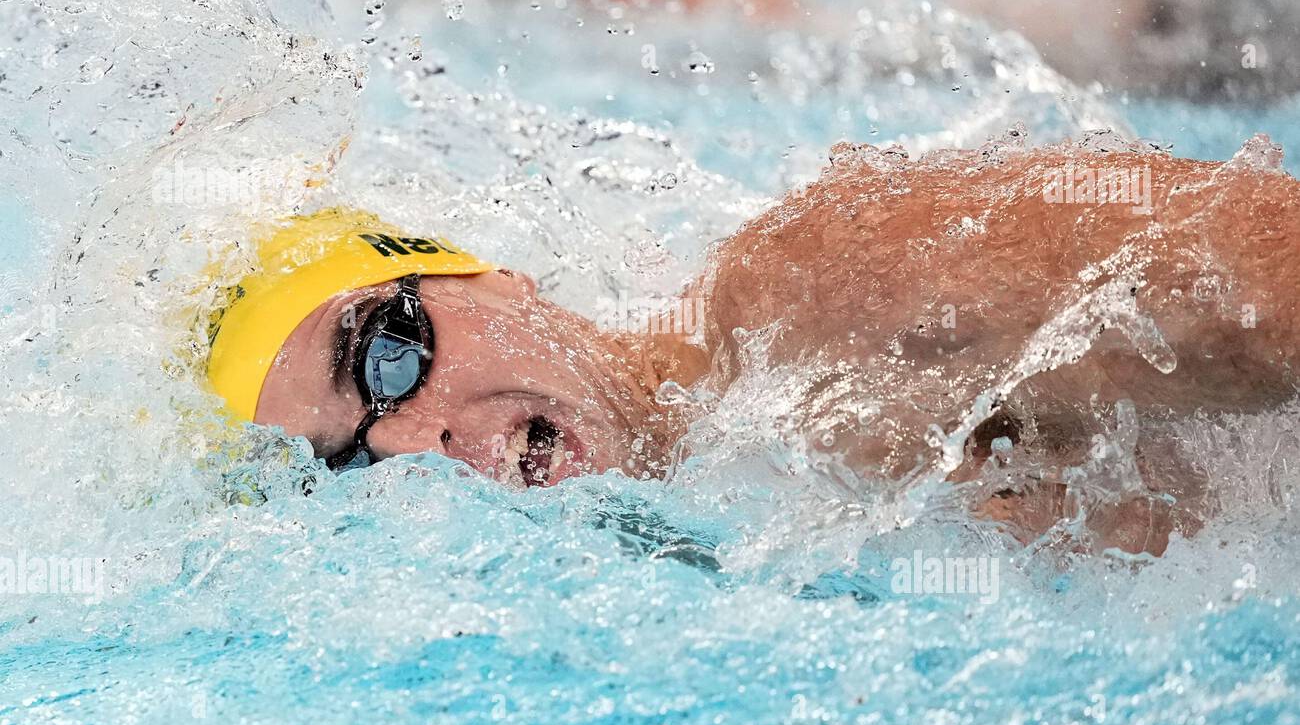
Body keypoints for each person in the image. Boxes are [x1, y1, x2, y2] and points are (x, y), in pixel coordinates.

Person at [204, 142, 1300, 554]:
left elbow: (1269, 273)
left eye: (386, 355)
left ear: (489, 274)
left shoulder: (815, 293)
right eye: (350, 460)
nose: (419, 435)